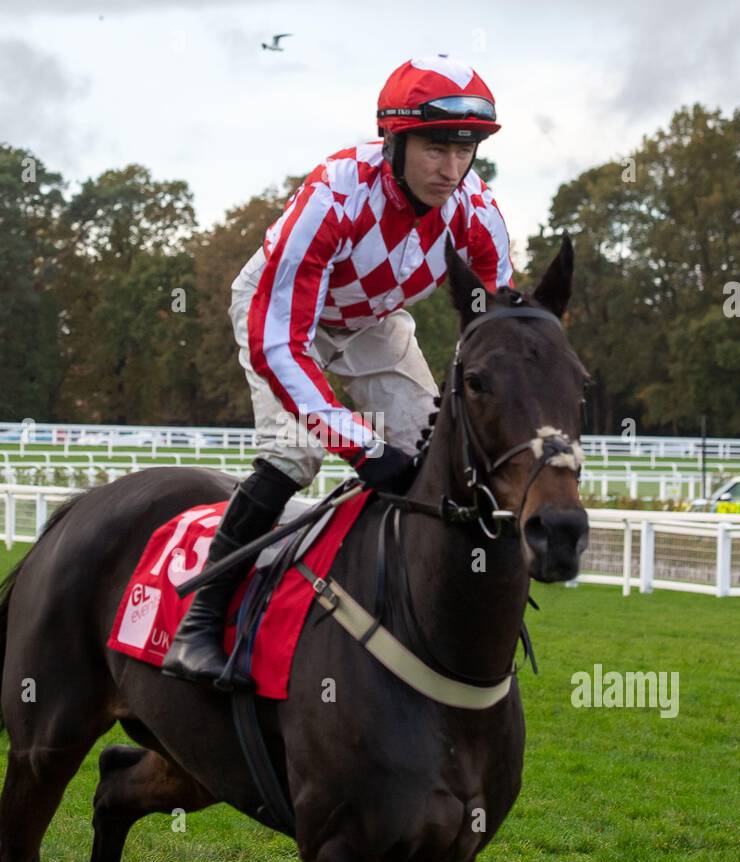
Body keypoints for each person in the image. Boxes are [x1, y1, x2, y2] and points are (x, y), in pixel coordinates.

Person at [161, 54, 514, 690]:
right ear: (396, 141)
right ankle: (198, 622)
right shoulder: (335, 194)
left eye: (466, 151)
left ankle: (407, 616)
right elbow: (280, 344)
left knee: (430, 452)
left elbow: (499, 334)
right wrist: (358, 446)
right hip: (285, 318)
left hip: (375, 321)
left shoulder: (478, 213)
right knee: (294, 453)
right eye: (437, 149)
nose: (453, 169)